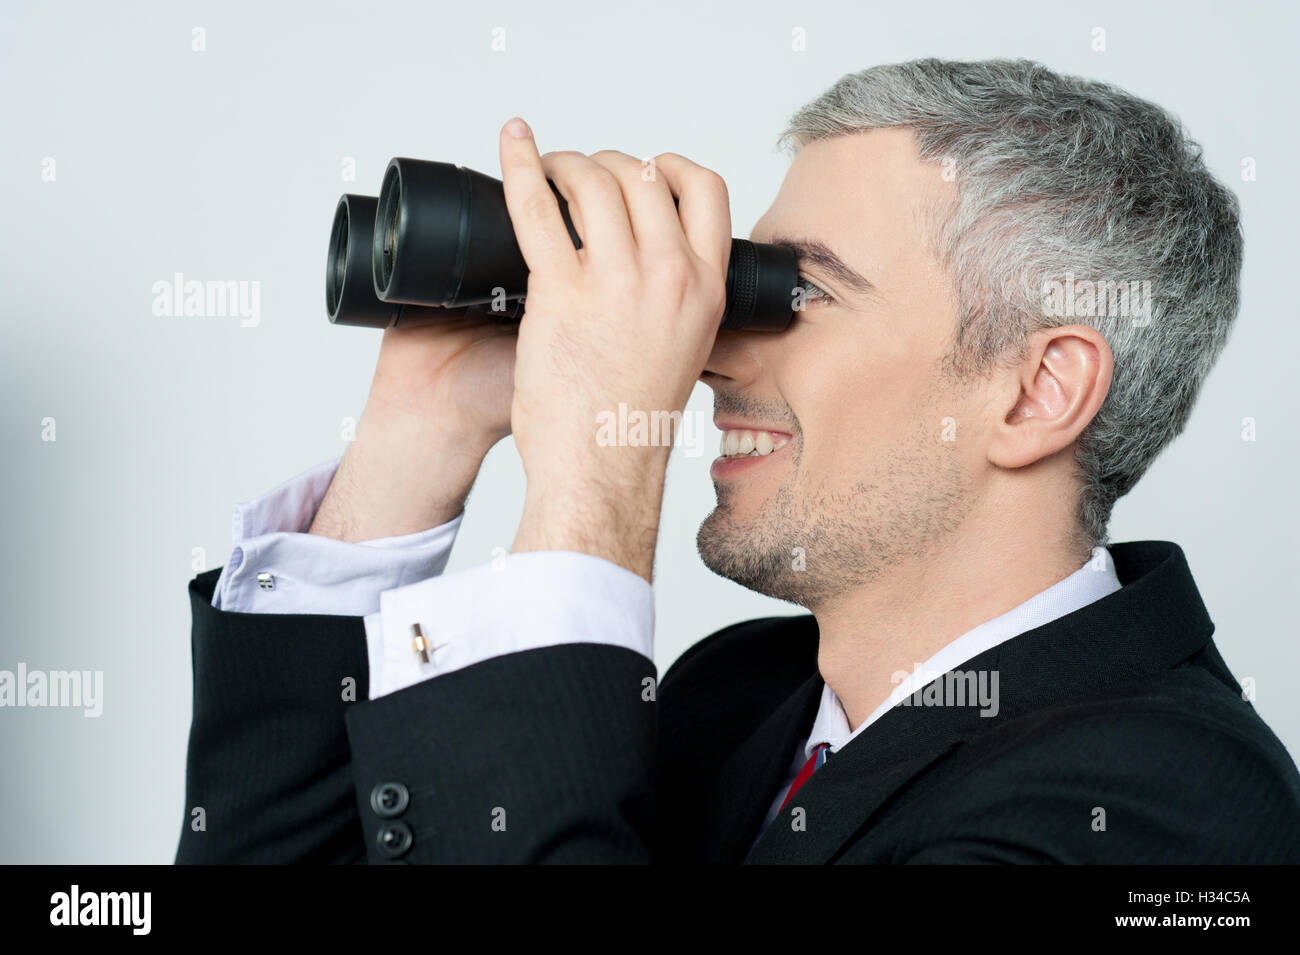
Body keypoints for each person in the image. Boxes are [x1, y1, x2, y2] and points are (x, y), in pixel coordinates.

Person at [176, 58, 1300, 864]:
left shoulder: (1171, 810)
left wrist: (592, 485)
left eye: (794, 290)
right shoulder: (736, 697)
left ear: (1035, 390)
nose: (707, 355)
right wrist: (424, 431)